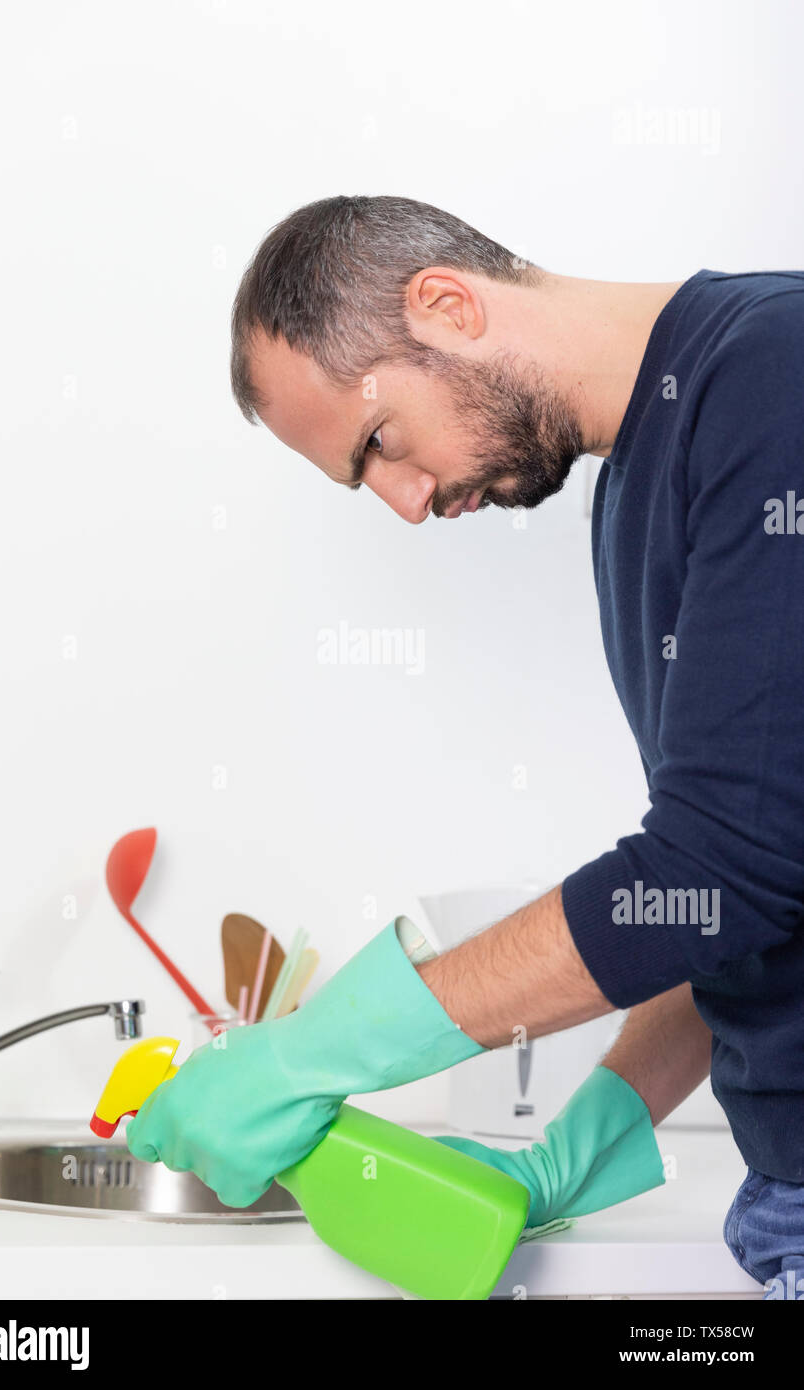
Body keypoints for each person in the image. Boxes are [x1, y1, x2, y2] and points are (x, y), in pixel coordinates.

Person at [128, 195, 804, 1298]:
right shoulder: (631, 492)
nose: (402, 504)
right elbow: (754, 882)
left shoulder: (774, 375)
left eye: (379, 444)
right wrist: (580, 1141)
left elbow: (715, 870)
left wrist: (318, 1051)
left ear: (444, 304)